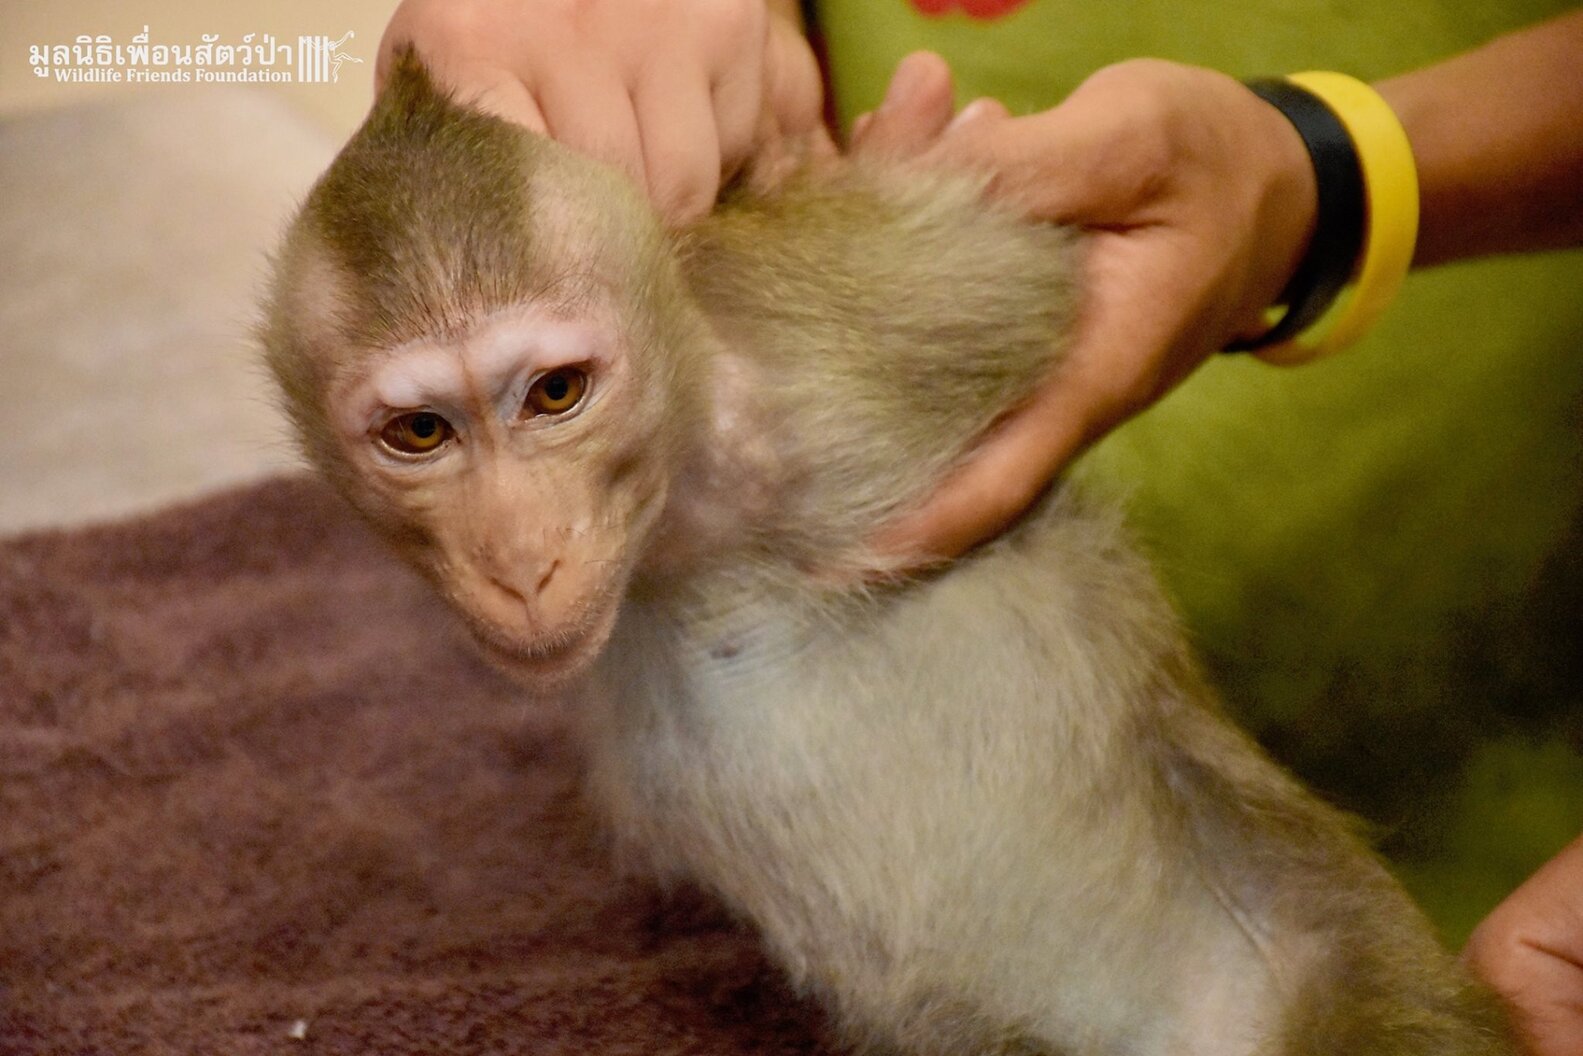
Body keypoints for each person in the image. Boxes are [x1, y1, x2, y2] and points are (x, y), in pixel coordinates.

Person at [372, 4, 1583, 1053]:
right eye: (416, 436)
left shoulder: (777, 373)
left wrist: (1332, 167)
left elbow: (1001, 279)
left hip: (1484, 812)